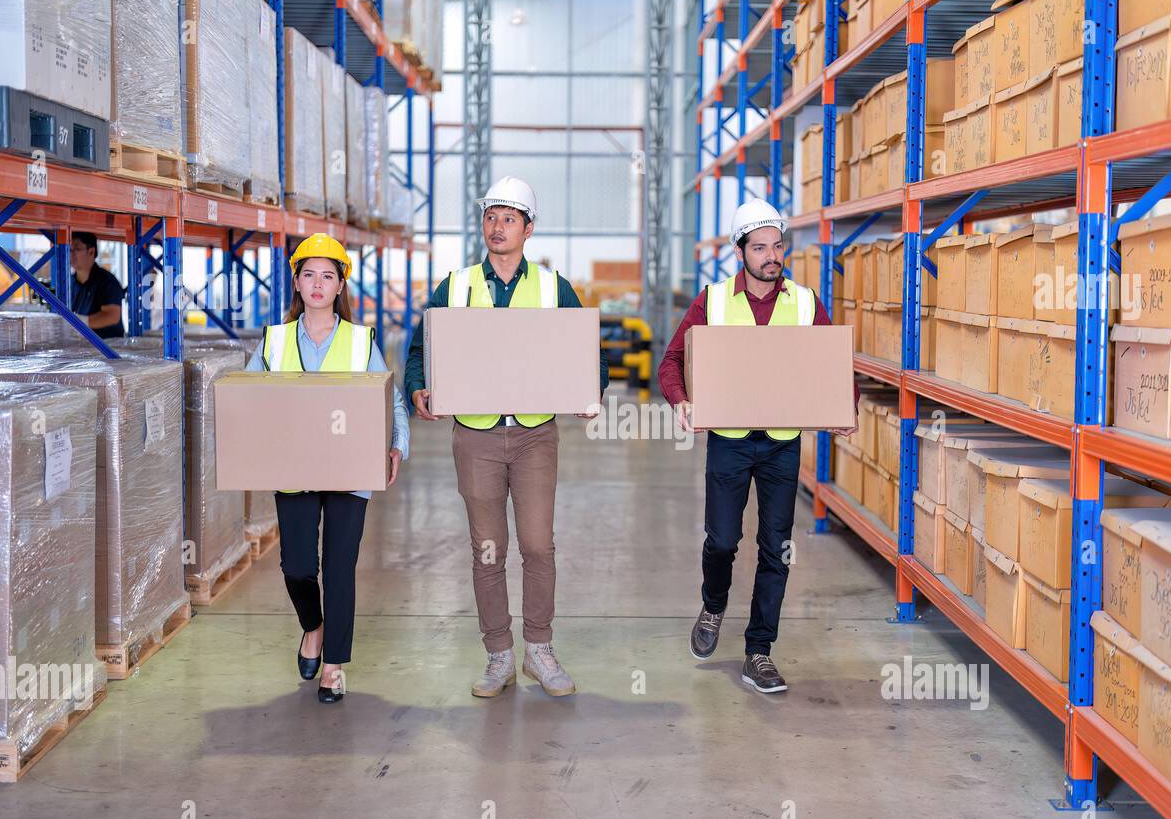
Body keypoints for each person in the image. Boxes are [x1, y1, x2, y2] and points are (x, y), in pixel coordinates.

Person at [404, 177, 608, 699]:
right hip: (476, 436)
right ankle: (499, 656)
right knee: (489, 550)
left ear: (529, 229)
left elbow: (588, 350)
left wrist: (592, 391)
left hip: (535, 435)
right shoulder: (455, 285)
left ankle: (538, 649)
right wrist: (418, 385)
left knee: (538, 546)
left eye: (510, 218)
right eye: (491, 217)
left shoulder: (551, 287)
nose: (498, 227)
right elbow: (420, 348)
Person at [657, 199, 858, 694]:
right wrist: (681, 399)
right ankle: (713, 603)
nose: (772, 256)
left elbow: (832, 365)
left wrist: (843, 407)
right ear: (741, 251)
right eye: (761, 247)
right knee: (722, 540)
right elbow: (672, 359)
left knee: (777, 548)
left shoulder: (806, 302)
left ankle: (759, 651)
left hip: (781, 445)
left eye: (778, 246)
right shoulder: (714, 300)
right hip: (728, 441)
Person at [244, 233, 411, 704]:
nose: (318, 284)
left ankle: (333, 665)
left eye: (328, 276)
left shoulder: (361, 341)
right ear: (296, 282)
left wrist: (397, 443)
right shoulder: (274, 341)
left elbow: (389, 398)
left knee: (340, 568)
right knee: (297, 565)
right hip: (294, 469)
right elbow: (247, 400)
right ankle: (313, 627)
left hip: (349, 469)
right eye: (309, 274)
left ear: (341, 286)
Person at [70, 231, 126, 338]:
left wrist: (79, 322)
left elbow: (112, 316)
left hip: (107, 349)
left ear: (91, 252)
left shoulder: (107, 281)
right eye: (70, 249)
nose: (71, 253)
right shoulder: (70, 283)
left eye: (76, 249)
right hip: (81, 347)